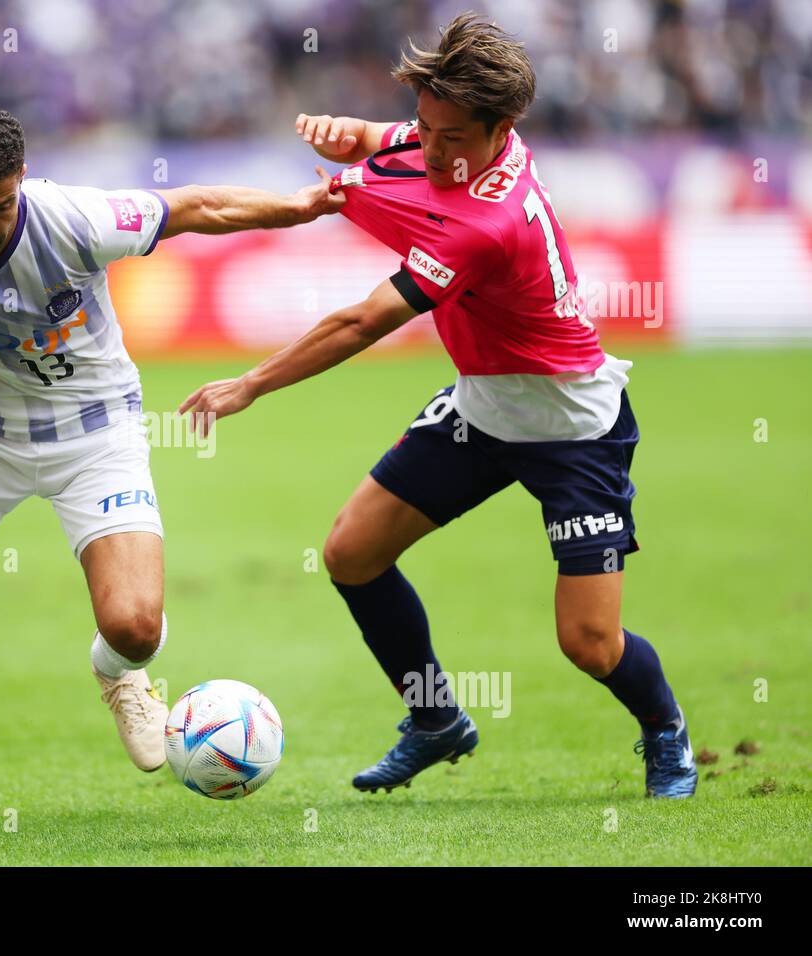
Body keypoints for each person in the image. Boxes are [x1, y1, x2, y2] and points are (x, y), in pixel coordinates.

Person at [0, 106, 345, 828]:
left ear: (23, 181)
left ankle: (120, 678)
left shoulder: (76, 218)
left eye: (1, 206)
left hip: (97, 431)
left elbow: (196, 206)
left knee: (136, 626)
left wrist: (297, 207)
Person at [180, 14, 696, 799]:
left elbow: (359, 323)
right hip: (483, 409)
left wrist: (250, 383)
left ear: (503, 130)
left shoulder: (485, 226)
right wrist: (343, 131)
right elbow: (378, 139)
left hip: (570, 427)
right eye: (425, 127)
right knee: (352, 555)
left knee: (588, 643)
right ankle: (435, 720)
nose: (431, 149)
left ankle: (666, 734)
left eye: (450, 136)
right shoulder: (453, 139)